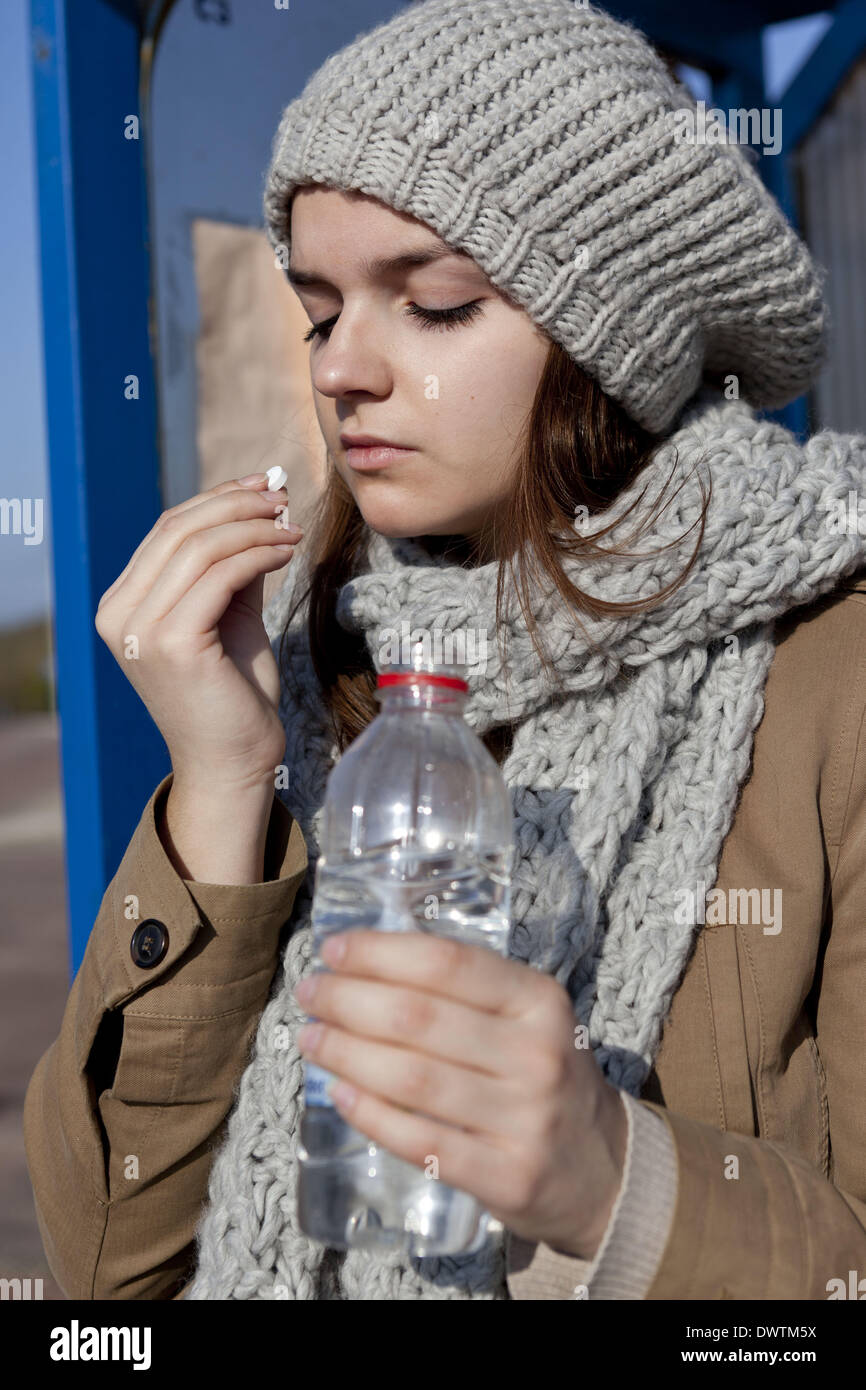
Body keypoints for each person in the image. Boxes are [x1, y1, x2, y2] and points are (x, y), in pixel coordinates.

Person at [24, 0, 866, 1301]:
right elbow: (107, 1275)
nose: (343, 368)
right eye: (317, 312)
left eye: (431, 303)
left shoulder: (832, 668)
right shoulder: (321, 667)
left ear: (611, 335)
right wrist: (219, 789)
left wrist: (613, 1177)